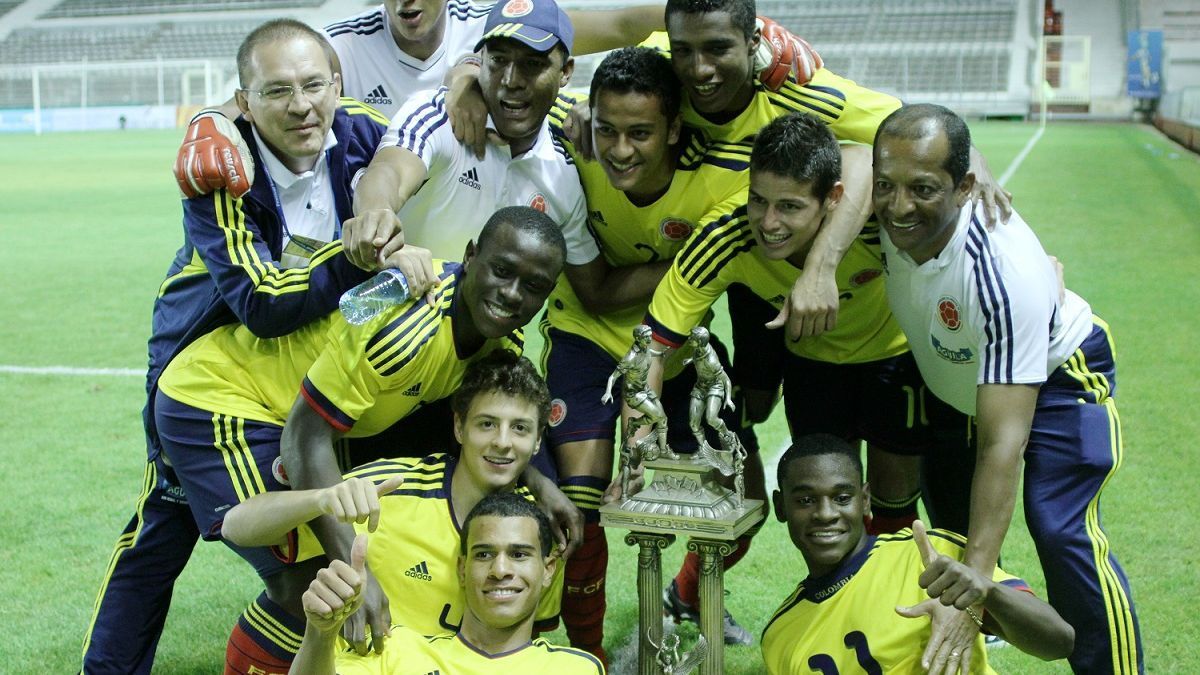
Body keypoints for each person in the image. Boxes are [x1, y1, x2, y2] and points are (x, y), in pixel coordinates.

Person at [81, 19, 390, 675]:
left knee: (184, 524)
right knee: (174, 522)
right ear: (245, 103)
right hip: (201, 366)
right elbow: (262, 302)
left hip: (291, 372)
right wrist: (359, 256)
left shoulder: (364, 133)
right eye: (277, 91)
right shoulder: (224, 170)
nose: (301, 105)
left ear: (337, 83)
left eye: (314, 84)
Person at [152, 206, 566, 673]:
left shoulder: (498, 343)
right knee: (308, 581)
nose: (511, 294)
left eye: (533, 287)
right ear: (471, 256)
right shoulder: (403, 327)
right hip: (225, 397)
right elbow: (305, 439)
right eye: (502, 271)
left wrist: (544, 482)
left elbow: (496, 425)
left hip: (310, 413)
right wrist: (356, 572)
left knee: (347, 566)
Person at [645, 111, 941, 635]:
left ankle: (888, 616)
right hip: (814, 367)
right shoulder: (728, 236)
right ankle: (694, 594)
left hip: (896, 358)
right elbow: (652, 343)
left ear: (832, 201)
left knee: (896, 499)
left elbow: (877, 168)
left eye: (789, 206)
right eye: (759, 200)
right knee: (821, 504)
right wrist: (639, 433)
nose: (768, 221)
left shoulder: (877, 226)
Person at [873, 103, 1142, 673]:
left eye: (922, 189)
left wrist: (975, 583)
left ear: (966, 186)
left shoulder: (999, 273)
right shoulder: (885, 211)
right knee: (950, 521)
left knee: (1058, 526)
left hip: (1059, 377)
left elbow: (1003, 443)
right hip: (966, 383)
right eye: (886, 186)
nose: (898, 206)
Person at [537, 46, 759, 653]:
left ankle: (685, 593)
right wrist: (461, 77)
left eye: (640, 133)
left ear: (674, 130)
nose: (619, 149)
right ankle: (587, 654)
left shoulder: (722, 179)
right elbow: (503, 78)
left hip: (681, 349)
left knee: (743, 503)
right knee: (580, 507)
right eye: (606, 129)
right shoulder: (567, 144)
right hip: (584, 334)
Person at [222, 351, 567, 639]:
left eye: (520, 428)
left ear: (538, 440)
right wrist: (319, 500)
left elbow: (524, 645)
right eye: (487, 424)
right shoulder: (393, 488)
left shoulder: (538, 531)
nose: (503, 442)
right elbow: (236, 526)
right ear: (459, 427)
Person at [174, 0, 673, 197]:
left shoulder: (492, 26)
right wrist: (207, 125)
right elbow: (262, 90)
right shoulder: (344, 44)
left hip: (468, 210)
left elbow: (625, 23)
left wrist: (725, 17)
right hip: (376, 217)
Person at [762, 433, 1074, 674]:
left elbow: (1057, 642)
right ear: (780, 507)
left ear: (866, 500)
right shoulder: (781, 637)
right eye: (805, 501)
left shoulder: (928, 558)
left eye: (842, 497)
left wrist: (987, 592)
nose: (825, 514)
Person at [291, 493, 604, 674]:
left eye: (519, 554)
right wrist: (320, 633)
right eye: (484, 555)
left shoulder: (574, 669)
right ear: (462, 569)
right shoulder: (395, 650)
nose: (500, 569)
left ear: (548, 569)